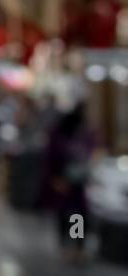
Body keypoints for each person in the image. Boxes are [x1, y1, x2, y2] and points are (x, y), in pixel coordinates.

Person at [42, 103, 95, 262]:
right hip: (64, 181)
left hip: (76, 182)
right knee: (67, 216)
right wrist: (55, 179)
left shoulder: (81, 134)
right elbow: (50, 159)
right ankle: (68, 247)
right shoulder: (60, 136)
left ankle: (75, 247)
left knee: (76, 216)